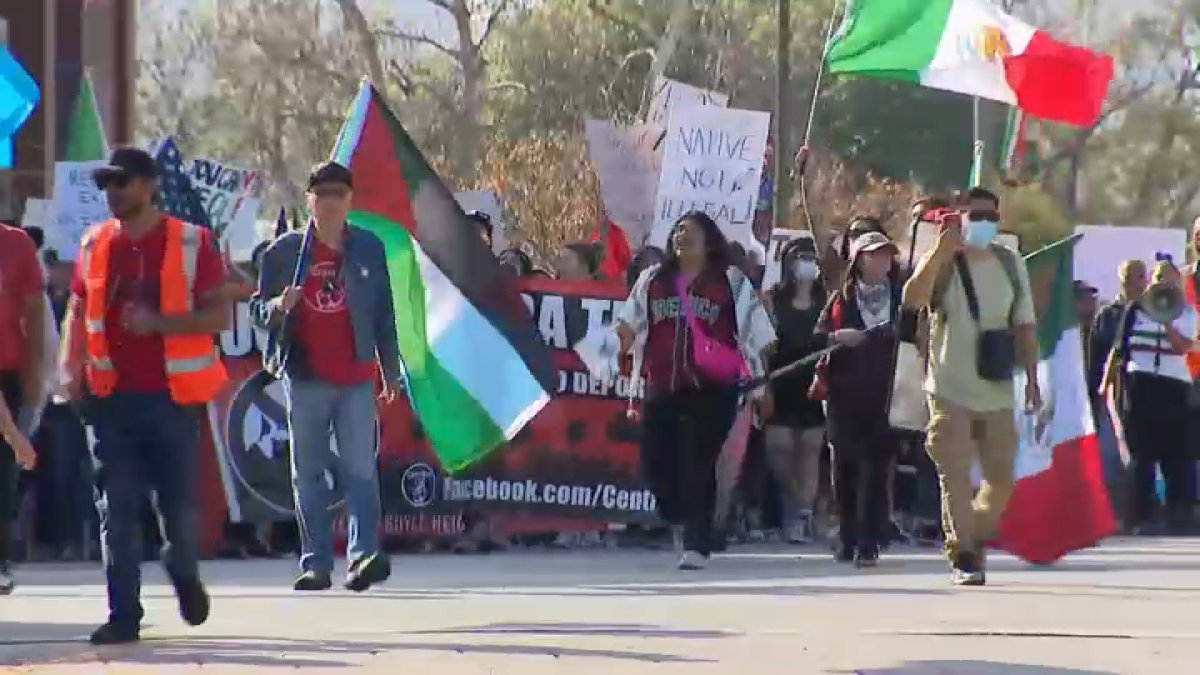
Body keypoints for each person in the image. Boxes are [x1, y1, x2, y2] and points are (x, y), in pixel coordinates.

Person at [57, 147, 228, 643]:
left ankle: (183, 570)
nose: (112, 191)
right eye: (107, 183)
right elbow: (77, 310)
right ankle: (123, 614)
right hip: (110, 401)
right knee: (118, 507)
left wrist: (159, 323)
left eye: (122, 182)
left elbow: (218, 317)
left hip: (174, 400)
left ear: (150, 185)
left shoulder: (193, 242)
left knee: (177, 511)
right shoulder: (93, 244)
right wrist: (70, 369)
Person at [251, 161, 403, 593]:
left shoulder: (369, 248)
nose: (331, 203)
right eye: (323, 195)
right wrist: (279, 305)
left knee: (360, 470)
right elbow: (257, 313)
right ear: (310, 200)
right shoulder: (284, 252)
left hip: (356, 375)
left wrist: (390, 370)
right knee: (309, 472)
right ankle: (316, 562)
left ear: (350, 200)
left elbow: (384, 313)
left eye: (339, 194)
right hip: (304, 375)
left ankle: (363, 556)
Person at [615, 211, 775, 570]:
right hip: (662, 386)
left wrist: (761, 384)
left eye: (690, 232)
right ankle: (677, 516)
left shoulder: (730, 282)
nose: (681, 237)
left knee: (699, 463)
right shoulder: (652, 280)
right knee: (656, 462)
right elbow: (628, 322)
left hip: (713, 390)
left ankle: (697, 541)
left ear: (709, 241)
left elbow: (756, 336)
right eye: (678, 231)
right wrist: (621, 340)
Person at [901, 189, 1040, 586]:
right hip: (948, 385)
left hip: (996, 387)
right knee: (955, 473)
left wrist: (1031, 379)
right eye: (976, 214)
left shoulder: (1010, 263)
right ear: (961, 217)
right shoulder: (945, 262)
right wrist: (940, 252)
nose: (983, 221)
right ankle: (963, 553)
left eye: (990, 215)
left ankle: (973, 530)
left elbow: (1025, 324)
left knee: (1001, 479)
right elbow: (913, 299)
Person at [815, 232, 902, 567]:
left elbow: (917, 336)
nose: (881, 261)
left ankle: (870, 540)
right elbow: (816, 338)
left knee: (878, 472)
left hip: (886, 396)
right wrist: (837, 336)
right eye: (874, 255)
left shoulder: (901, 298)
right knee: (846, 469)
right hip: (844, 397)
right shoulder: (840, 299)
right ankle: (848, 536)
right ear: (859, 260)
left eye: (886, 255)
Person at [1101, 260, 1198, 534]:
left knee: (1176, 455)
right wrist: (1104, 385)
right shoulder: (1135, 311)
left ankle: (1179, 512)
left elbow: (1182, 348)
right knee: (1141, 455)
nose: (1162, 283)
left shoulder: (1187, 313)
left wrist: (1166, 319)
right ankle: (1141, 515)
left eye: (1168, 279)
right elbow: (1119, 348)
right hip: (1140, 384)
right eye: (1158, 278)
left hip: (1173, 386)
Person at [763, 237, 827, 544]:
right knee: (780, 449)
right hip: (781, 380)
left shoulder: (827, 300)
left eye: (811, 258)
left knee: (810, 450)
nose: (807, 264)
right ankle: (788, 505)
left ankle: (804, 513)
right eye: (801, 258)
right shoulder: (773, 300)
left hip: (814, 382)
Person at [0, 222, 44, 594]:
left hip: (7, 373)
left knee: (4, 473)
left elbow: (35, 316)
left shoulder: (16, 245)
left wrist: (34, 382)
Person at [1090, 261, 1147, 521]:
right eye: (1128, 277)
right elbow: (1097, 355)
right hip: (1112, 391)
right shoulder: (1107, 315)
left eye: (1138, 277)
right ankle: (1113, 515)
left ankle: (1137, 512)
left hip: (1140, 393)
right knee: (1111, 455)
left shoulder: (1153, 311)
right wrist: (1095, 391)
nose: (1134, 282)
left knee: (1136, 456)